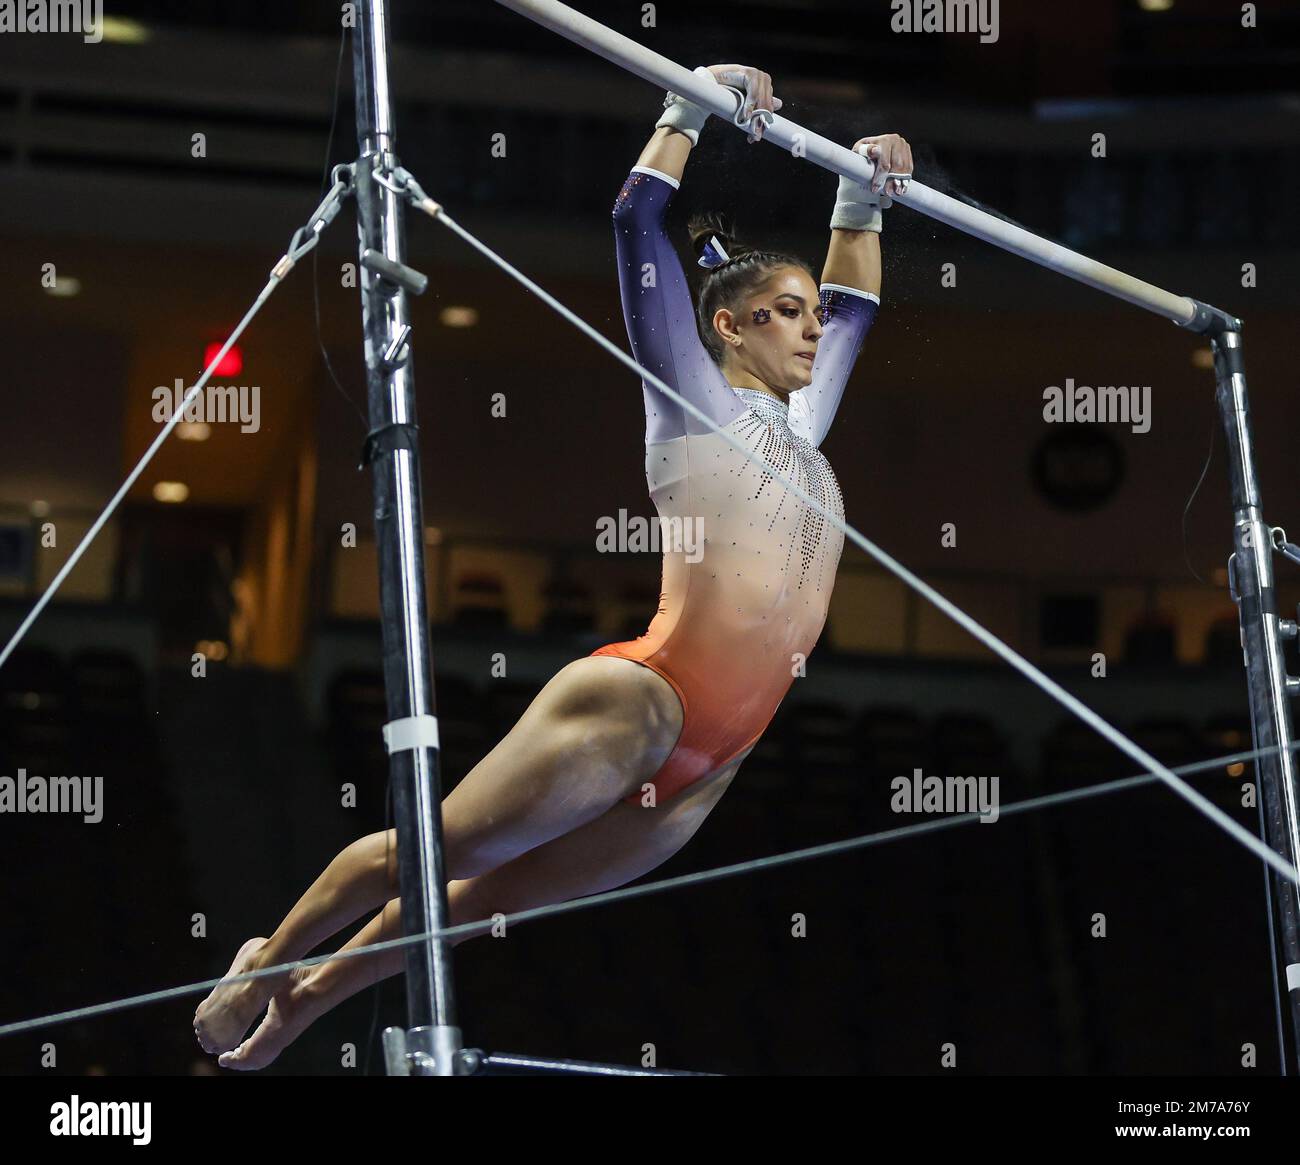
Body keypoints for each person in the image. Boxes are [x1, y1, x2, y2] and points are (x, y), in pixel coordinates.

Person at [193, 63, 911, 1070]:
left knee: (472, 908)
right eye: (785, 312)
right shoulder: (691, 396)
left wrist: (865, 189)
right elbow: (635, 224)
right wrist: (688, 108)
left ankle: (303, 1007)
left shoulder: (803, 420)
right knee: (430, 859)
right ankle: (266, 962)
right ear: (726, 327)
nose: (811, 329)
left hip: (712, 770)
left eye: (807, 315)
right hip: (644, 705)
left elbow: (857, 308)